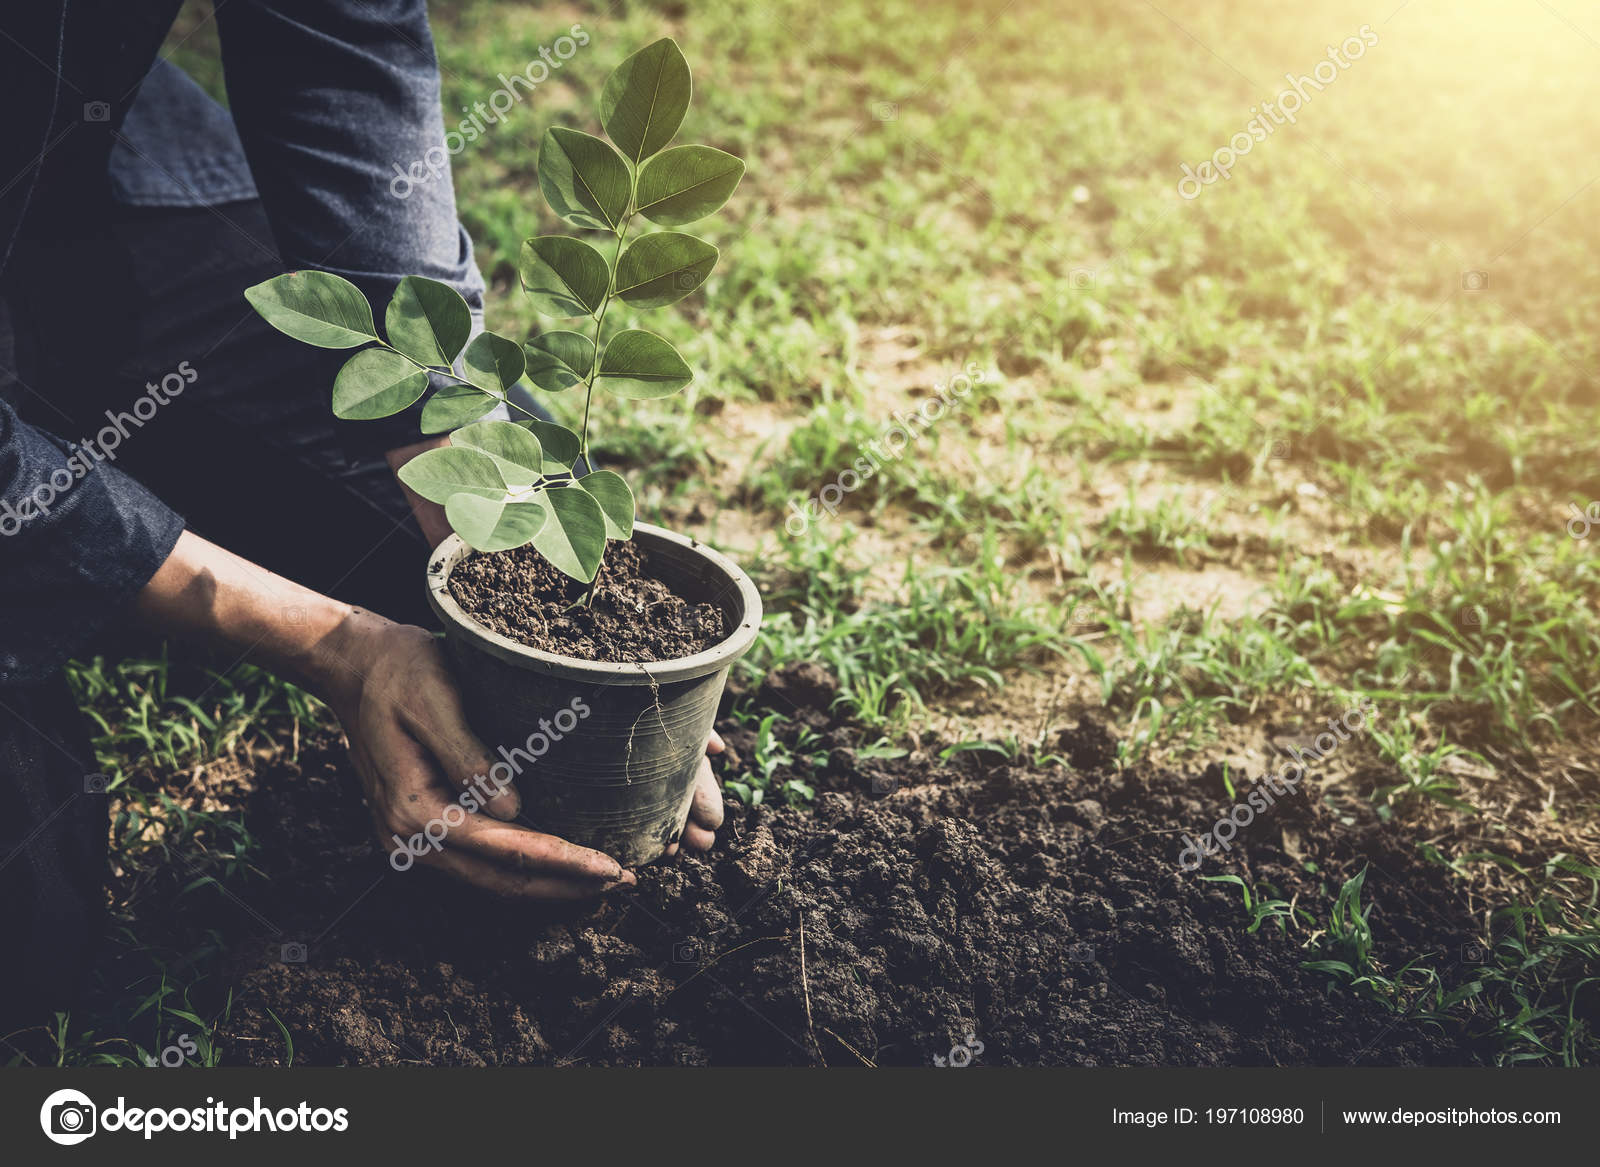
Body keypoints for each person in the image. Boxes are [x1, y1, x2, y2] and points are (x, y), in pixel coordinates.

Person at [0, 1, 724, 1028]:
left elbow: (335, 40)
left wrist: (451, 449)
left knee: (495, 503)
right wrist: (335, 648)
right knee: (28, 937)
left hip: (76, 172)